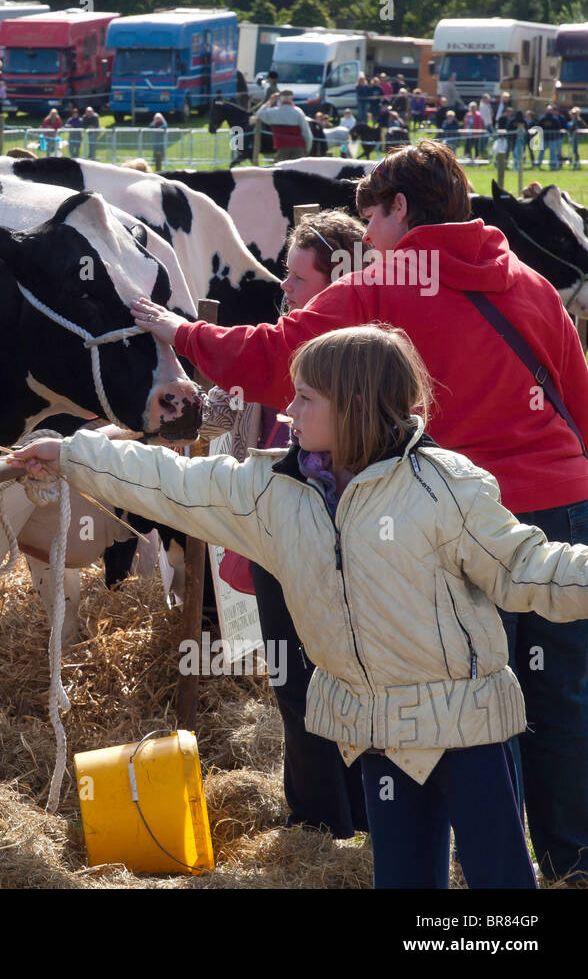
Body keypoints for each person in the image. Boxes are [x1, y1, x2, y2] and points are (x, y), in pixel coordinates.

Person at [129, 139, 588, 885]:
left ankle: (497, 879)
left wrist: (180, 333)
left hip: (462, 517)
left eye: (369, 216)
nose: (365, 236)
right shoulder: (530, 281)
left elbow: (275, 358)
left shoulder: (384, 286)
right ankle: (570, 860)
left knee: (477, 702)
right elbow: (576, 395)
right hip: (565, 501)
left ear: (400, 208)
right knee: (563, 696)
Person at [14, 322, 588, 889]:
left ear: (354, 406)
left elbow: (527, 568)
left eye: (306, 397)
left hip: (468, 728)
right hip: (376, 730)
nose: (288, 409)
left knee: (502, 886)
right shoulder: (275, 492)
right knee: (403, 881)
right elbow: (174, 483)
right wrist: (71, 455)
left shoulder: (446, 489)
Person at [198, 209, 371, 839]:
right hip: (292, 532)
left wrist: (179, 331)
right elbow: (245, 413)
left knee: (305, 682)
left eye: (298, 278)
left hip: (314, 536)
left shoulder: (338, 354)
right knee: (308, 680)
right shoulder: (319, 348)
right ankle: (339, 814)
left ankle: (324, 825)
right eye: (286, 277)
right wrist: (215, 410)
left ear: (341, 281)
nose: (286, 291)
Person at [254, 89, 312, 161]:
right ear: (292, 97)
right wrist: (307, 148)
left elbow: (259, 114)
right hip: (299, 147)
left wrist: (270, 101)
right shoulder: (298, 112)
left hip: (282, 148)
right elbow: (306, 133)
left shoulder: (274, 112)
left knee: (282, 170)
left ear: (280, 98)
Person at [538, 103, 564, 169]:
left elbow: (558, 128)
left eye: (550, 110)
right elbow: (539, 127)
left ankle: (553, 166)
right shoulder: (542, 118)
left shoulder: (555, 119)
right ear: (546, 110)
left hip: (553, 139)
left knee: (552, 153)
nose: (549, 111)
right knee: (541, 152)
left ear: (552, 111)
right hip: (544, 139)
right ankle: (538, 165)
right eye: (548, 110)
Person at [568, 106, 583, 170]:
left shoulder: (578, 120)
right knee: (574, 151)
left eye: (574, 113)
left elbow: (583, 126)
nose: (572, 114)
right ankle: (575, 164)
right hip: (572, 136)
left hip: (575, 136)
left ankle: (577, 164)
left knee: (575, 151)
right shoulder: (573, 120)